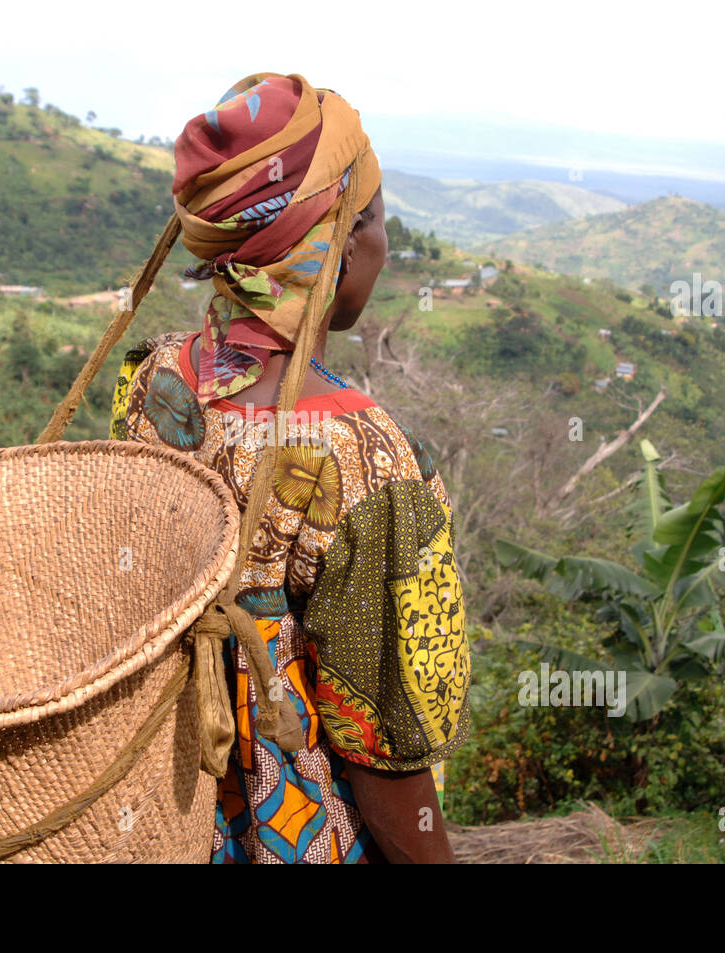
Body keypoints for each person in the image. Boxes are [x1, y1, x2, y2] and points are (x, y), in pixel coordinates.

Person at [110, 73, 470, 863]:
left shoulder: (151, 384)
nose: (381, 243)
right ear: (343, 235)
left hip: (158, 819)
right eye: (377, 220)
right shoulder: (364, 453)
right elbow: (383, 746)